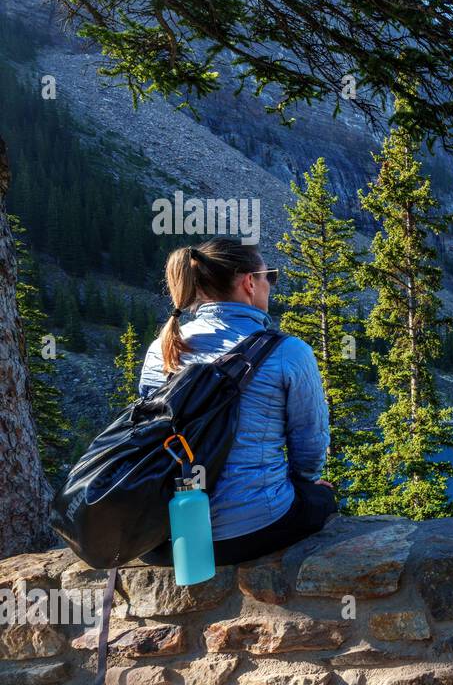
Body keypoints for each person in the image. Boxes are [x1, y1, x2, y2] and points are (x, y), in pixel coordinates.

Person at [138, 237, 337, 566]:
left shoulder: (164, 347)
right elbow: (309, 449)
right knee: (322, 497)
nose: (270, 285)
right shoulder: (290, 351)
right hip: (250, 530)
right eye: (268, 276)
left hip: (173, 535)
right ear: (249, 283)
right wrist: (306, 484)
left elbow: (149, 432)